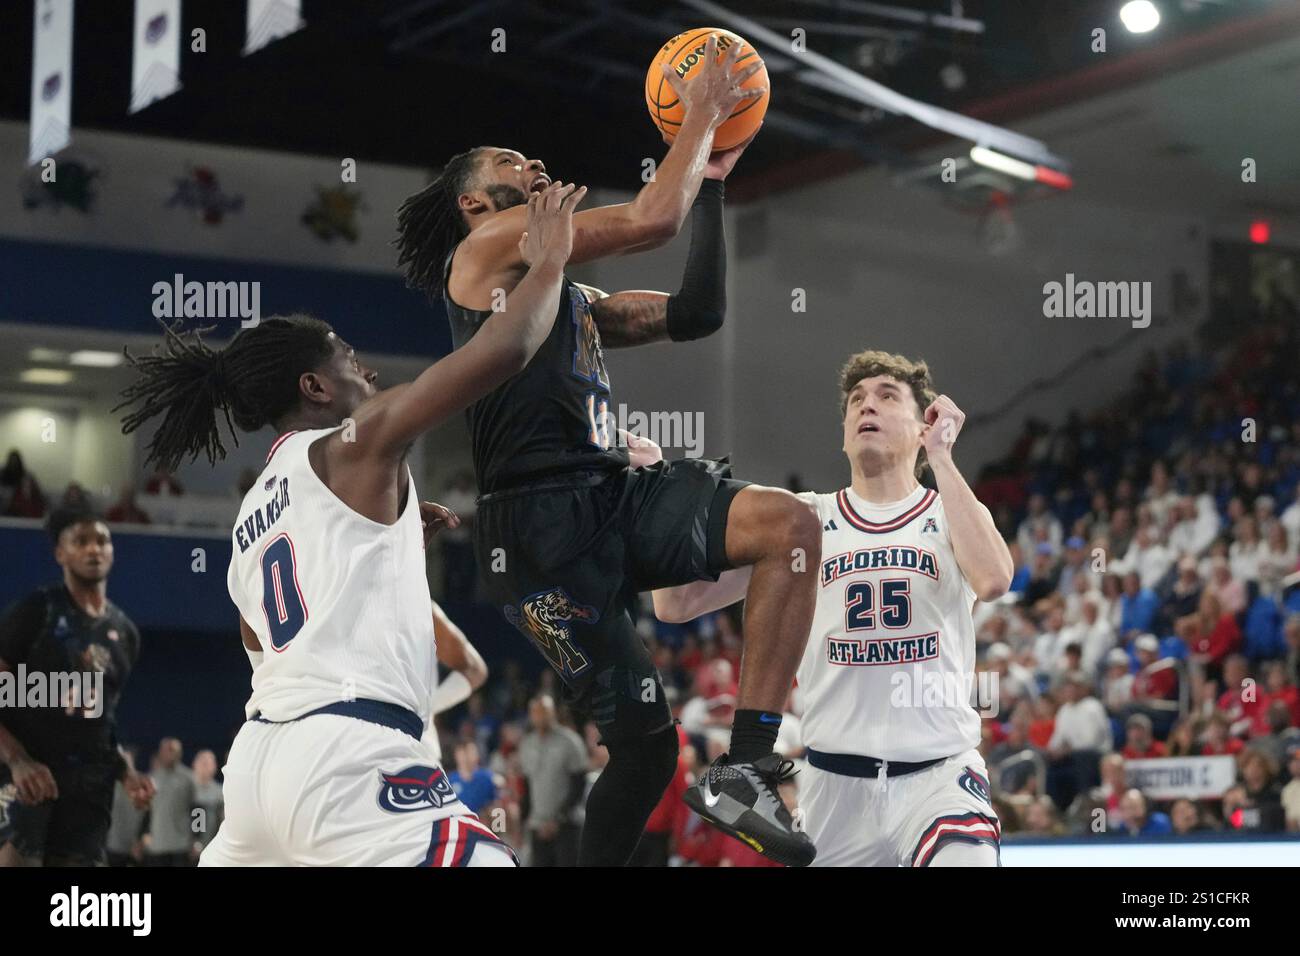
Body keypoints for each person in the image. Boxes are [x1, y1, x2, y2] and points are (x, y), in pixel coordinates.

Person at [395, 38, 819, 867]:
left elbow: (697, 312)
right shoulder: (480, 253)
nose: (536, 160)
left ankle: (747, 768)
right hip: (539, 532)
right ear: (478, 205)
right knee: (647, 749)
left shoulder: (572, 296)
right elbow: (648, 217)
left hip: (611, 495)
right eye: (512, 161)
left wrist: (715, 190)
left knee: (792, 527)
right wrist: (699, 112)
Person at [115, 180, 586, 866]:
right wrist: (549, 261)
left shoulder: (251, 516)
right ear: (314, 387)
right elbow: (501, 355)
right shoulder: (357, 441)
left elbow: (276, 643)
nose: (362, 365)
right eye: (344, 353)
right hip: (347, 758)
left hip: (259, 769)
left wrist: (385, 543)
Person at [655, 351, 1013, 866]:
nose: (868, 405)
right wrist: (662, 506)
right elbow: (675, 603)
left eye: (888, 396)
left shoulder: (947, 508)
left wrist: (943, 459)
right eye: (856, 401)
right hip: (833, 786)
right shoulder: (803, 520)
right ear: (844, 434)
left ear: (922, 427)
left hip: (939, 775)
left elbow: (995, 578)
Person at [0, 506, 155, 866]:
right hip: (25, 782)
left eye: (102, 540)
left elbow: (101, 724)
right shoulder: (36, 612)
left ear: (113, 551)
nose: (93, 549)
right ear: (61, 553)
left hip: (87, 795)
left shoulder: (125, 634)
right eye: (80, 541)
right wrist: (18, 760)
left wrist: (126, 772)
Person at [518, 695, 588, 867]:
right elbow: (527, 786)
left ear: (553, 713)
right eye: (535, 712)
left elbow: (579, 784)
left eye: (544, 712)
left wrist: (558, 819)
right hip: (537, 824)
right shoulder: (527, 744)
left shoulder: (570, 741)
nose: (540, 716)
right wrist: (523, 820)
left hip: (566, 824)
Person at [142, 738, 195, 866]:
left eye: (172, 750)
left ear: (179, 753)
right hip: (157, 845)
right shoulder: (152, 778)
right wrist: (143, 833)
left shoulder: (188, 778)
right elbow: (146, 809)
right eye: (165, 750)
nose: (168, 754)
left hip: (181, 846)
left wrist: (198, 839)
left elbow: (199, 810)